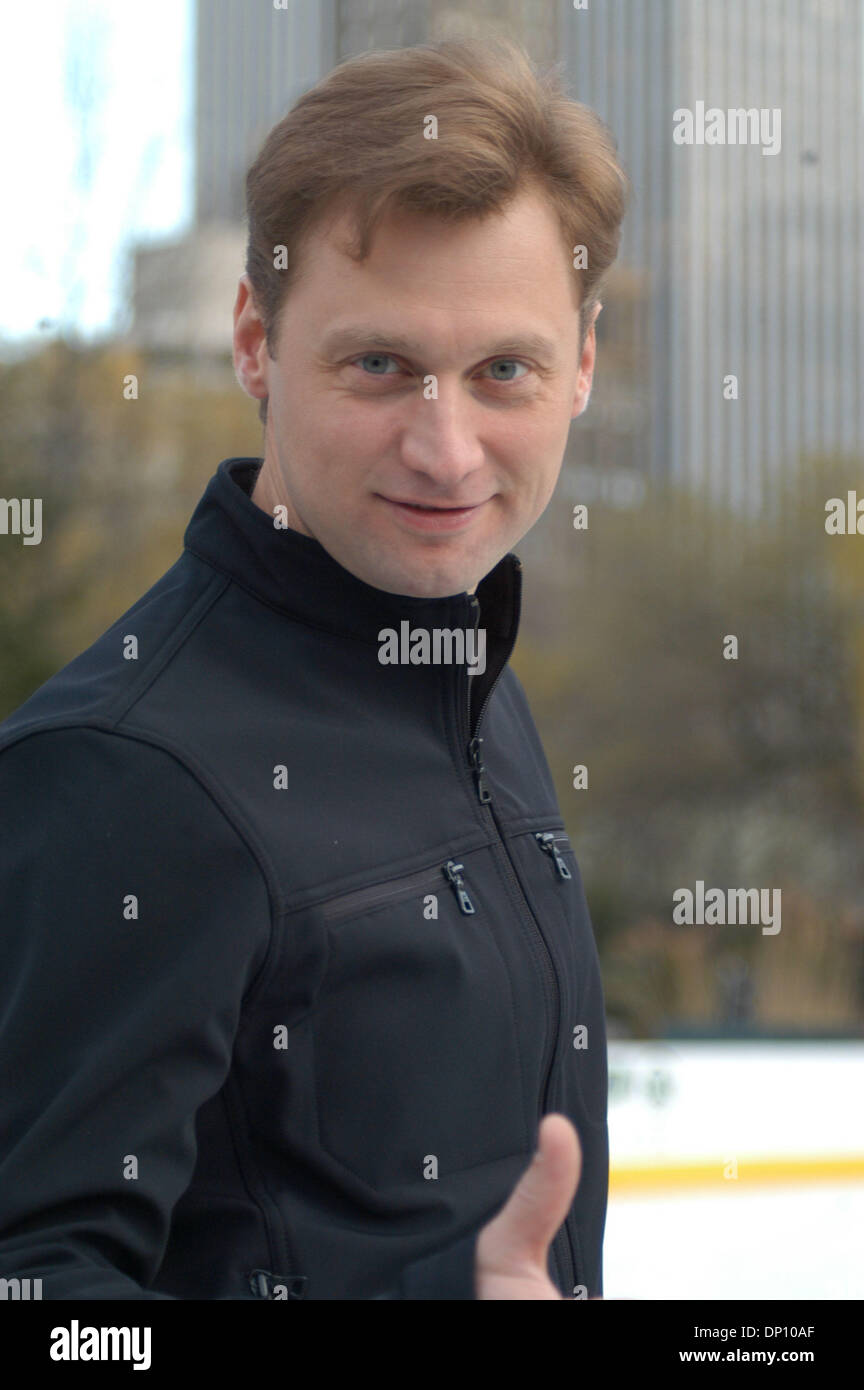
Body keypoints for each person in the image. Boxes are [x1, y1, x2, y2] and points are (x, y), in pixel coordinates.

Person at [0, 36, 628, 1300]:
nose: (446, 453)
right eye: (380, 366)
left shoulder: (472, 689)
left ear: (583, 368)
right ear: (255, 342)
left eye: (503, 370)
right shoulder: (127, 773)